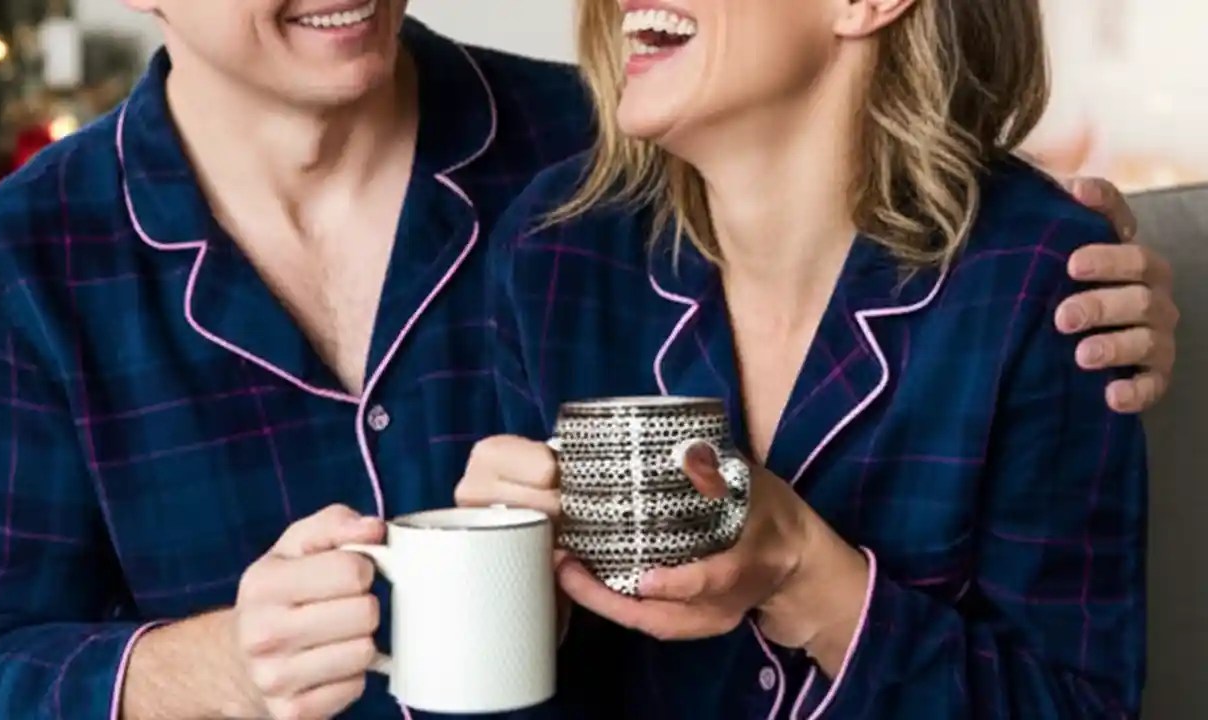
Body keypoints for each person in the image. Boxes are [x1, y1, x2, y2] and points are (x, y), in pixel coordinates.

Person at [0, 1, 1175, 720]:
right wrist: (221, 666)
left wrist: (1071, 257)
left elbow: (868, 183)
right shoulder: (27, 260)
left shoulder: (610, 153)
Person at [460, 0, 1159, 718]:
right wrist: (509, 604)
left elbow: (1081, 706)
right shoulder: (553, 250)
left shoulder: (1040, 277)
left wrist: (810, 578)